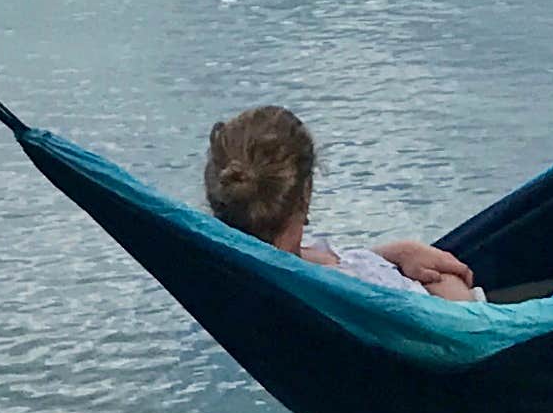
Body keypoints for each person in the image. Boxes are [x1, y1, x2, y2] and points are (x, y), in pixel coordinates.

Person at [202, 105, 479, 300]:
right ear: (305, 193)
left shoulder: (243, 273)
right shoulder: (351, 292)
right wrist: (448, 286)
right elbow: (467, 329)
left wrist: (396, 252)